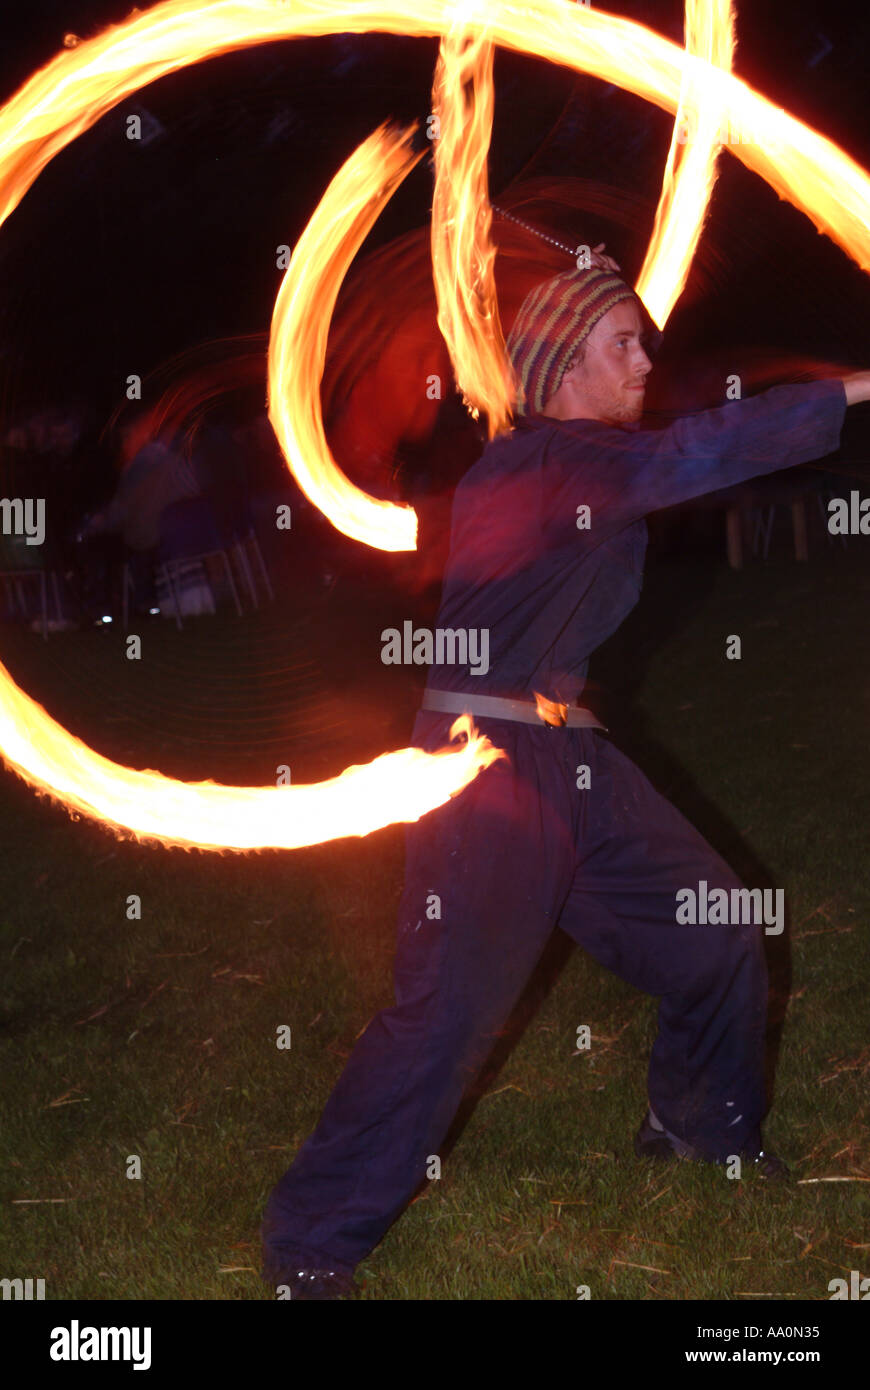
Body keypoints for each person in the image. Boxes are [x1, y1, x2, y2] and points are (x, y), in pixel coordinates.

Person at [260, 258, 867, 1300]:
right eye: (622, 344)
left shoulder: (589, 459)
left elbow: (672, 459)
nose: (646, 359)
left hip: (569, 752)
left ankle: (696, 1124)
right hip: (486, 763)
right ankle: (311, 1242)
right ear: (560, 371)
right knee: (448, 1012)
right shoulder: (544, 464)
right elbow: (701, 449)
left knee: (715, 923)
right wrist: (852, 390)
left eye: (645, 340)